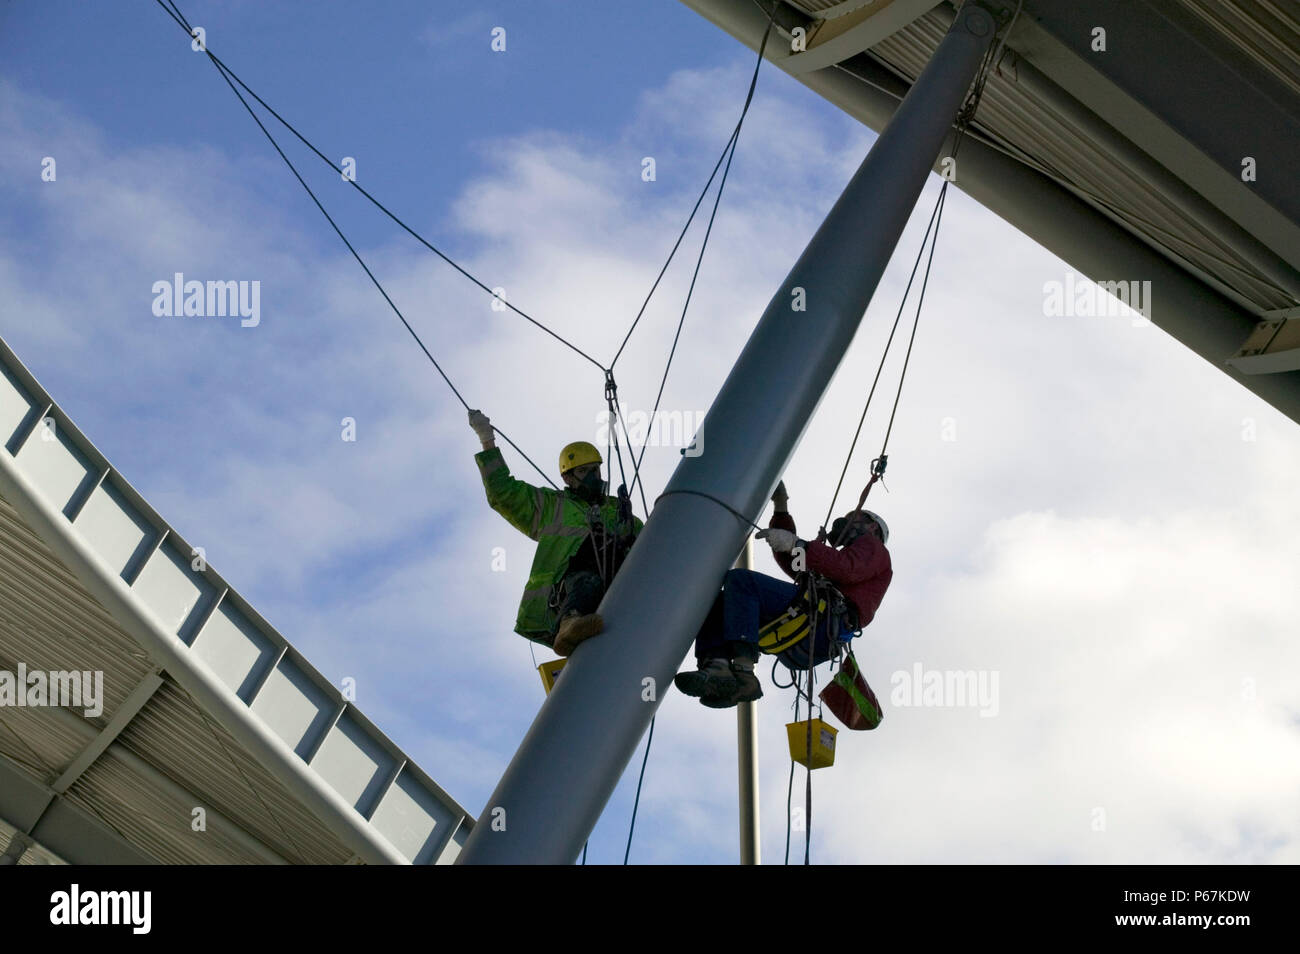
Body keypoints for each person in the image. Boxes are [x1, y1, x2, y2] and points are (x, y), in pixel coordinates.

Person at [674, 481, 892, 708]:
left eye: (854, 518)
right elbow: (797, 566)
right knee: (718, 601)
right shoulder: (838, 565)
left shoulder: (874, 549)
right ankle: (717, 668)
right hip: (810, 632)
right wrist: (781, 510)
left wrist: (799, 545)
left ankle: (743, 671)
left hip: (820, 621)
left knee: (741, 582)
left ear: (872, 528)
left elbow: (846, 568)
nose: (847, 523)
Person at [470, 409, 642, 656]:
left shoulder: (618, 510)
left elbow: (655, 544)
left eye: (596, 470)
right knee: (590, 558)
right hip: (569, 592)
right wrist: (487, 440)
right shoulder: (552, 506)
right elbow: (502, 493)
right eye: (584, 472)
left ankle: (714, 660)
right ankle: (569, 622)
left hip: (622, 589)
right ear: (568, 477)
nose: (593, 477)